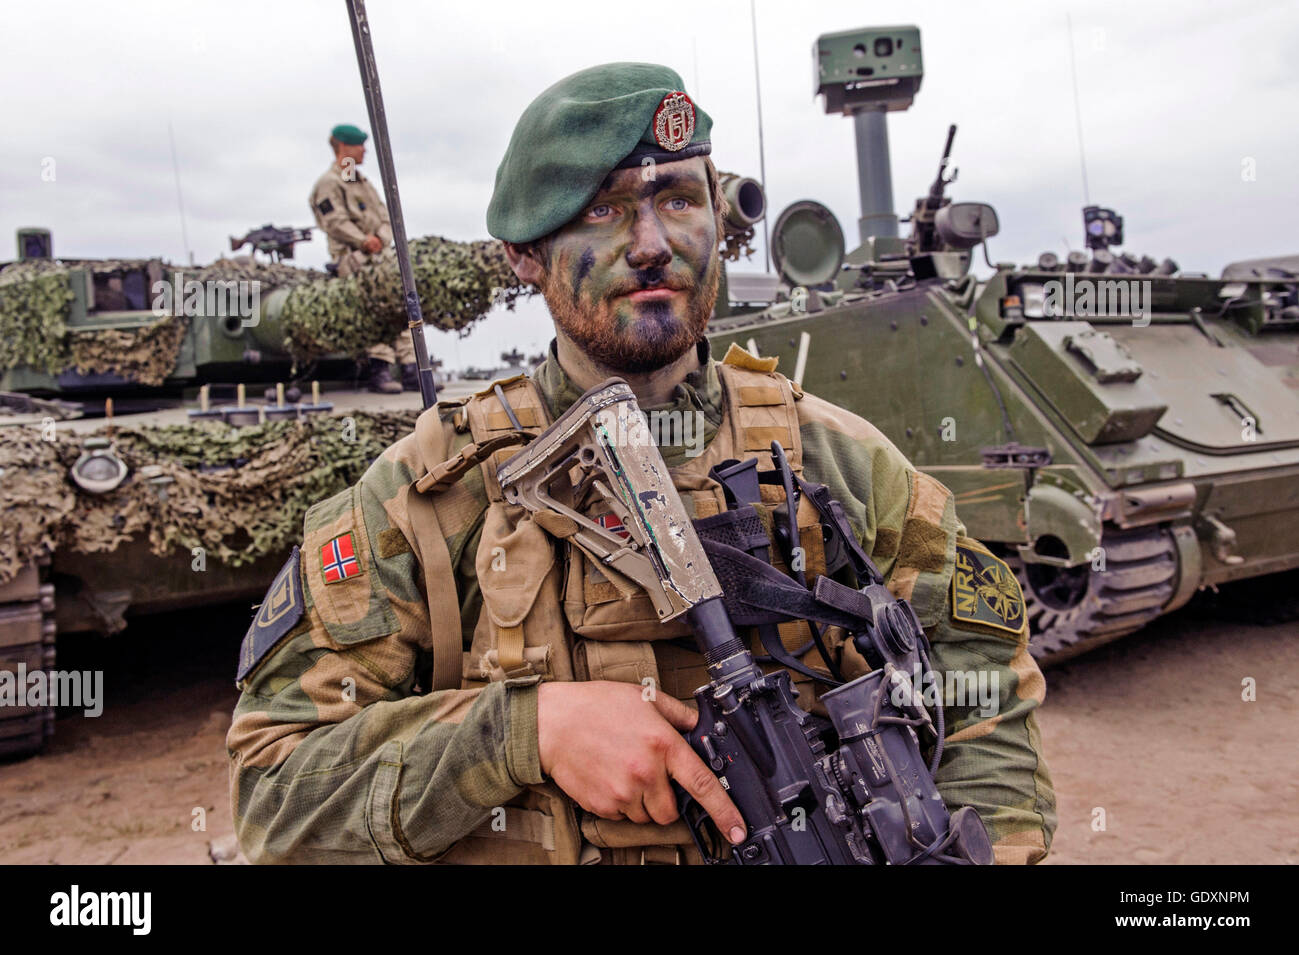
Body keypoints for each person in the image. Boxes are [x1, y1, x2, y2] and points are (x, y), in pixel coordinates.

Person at [230, 63, 1056, 865]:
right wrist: (523, 732)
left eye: (679, 199)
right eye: (603, 209)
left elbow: (986, 702)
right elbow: (275, 791)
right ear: (525, 252)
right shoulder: (429, 493)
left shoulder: (842, 461)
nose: (654, 243)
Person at [309, 123, 418, 394]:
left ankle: (409, 366)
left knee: (399, 306)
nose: (365, 150)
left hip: (378, 255)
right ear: (344, 147)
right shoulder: (329, 183)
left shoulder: (361, 182)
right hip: (352, 257)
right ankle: (379, 368)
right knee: (372, 308)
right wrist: (362, 241)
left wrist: (380, 238)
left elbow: (386, 216)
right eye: (360, 145)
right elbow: (334, 222)